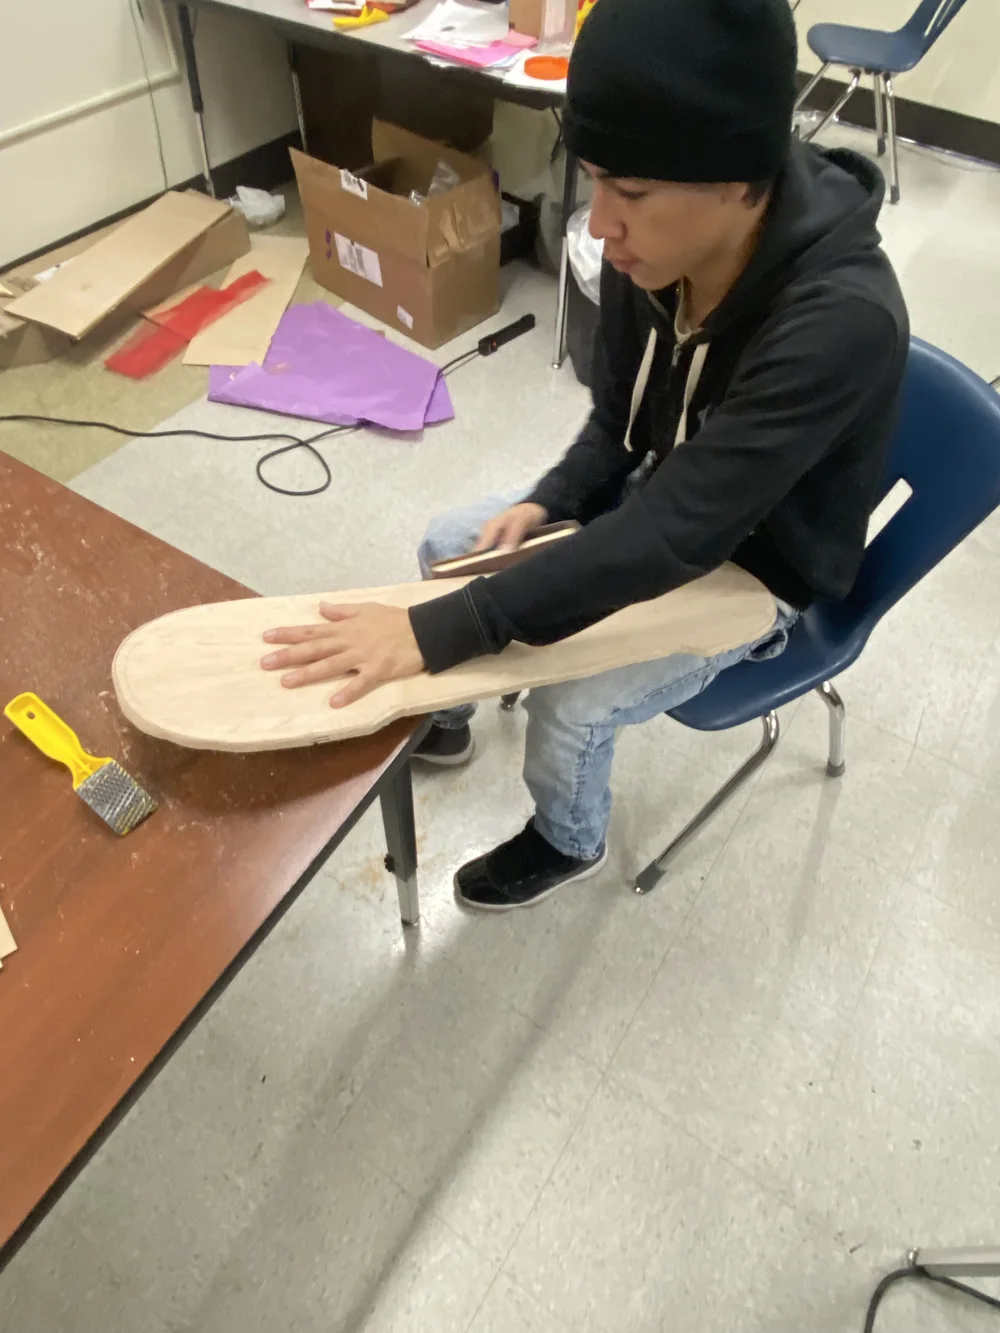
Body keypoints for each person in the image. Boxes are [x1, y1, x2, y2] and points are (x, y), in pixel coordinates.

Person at [260, 0, 909, 913]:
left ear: (734, 179)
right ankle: (446, 717)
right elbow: (619, 423)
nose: (599, 223)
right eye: (594, 178)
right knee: (453, 546)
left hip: (756, 565)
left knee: (570, 702)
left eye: (630, 193)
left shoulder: (840, 323)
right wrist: (554, 498)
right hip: (669, 500)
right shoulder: (653, 249)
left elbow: (670, 539)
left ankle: (569, 837)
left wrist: (437, 630)